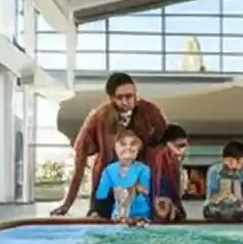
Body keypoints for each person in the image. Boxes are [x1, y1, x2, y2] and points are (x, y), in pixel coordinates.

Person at [50, 73, 167, 219]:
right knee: (99, 217)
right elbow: (80, 159)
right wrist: (67, 204)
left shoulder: (150, 111)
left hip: (141, 176)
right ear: (112, 98)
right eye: (120, 97)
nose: (125, 102)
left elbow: (166, 142)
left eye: (129, 96)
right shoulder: (99, 117)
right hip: (108, 177)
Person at [94, 130, 152, 225]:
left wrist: (135, 189)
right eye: (123, 144)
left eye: (133, 144)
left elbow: (146, 191)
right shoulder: (109, 170)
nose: (128, 147)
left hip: (142, 218)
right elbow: (101, 197)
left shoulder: (144, 170)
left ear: (138, 148)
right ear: (115, 147)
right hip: (118, 218)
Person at [203, 140, 243, 222]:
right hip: (218, 205)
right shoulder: (214, 171)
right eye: (236, 162)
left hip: (237, 206)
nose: (239, 165)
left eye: (242, 162)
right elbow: (211, 195)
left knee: (241, 212)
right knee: (209, 210)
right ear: (226, 160)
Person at [150, 124, 190, 223]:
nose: (183, 150)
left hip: (172, 199)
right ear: (168, 143)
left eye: (185, 146)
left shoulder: (174, 157)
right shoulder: (161, 156)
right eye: (179, 146)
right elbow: (160, 180)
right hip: (163, 201)